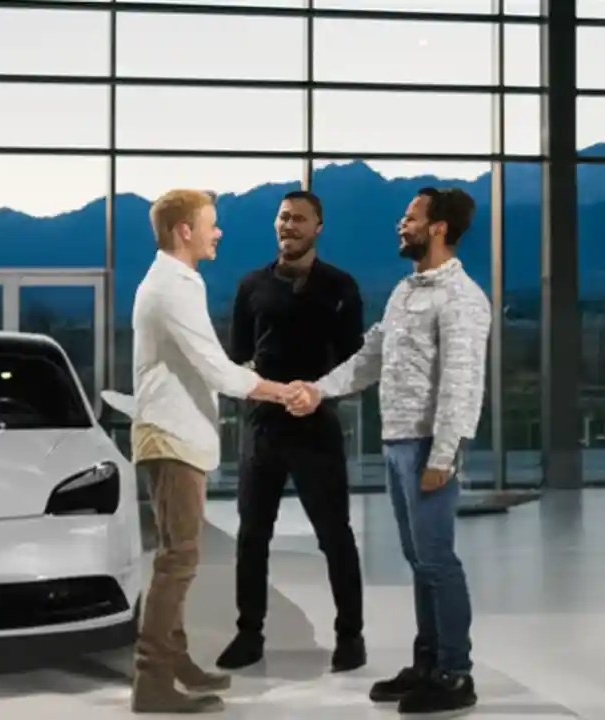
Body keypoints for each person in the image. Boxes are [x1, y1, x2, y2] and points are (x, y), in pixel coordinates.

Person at [286, 187, 491, 715]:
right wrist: (317, 389)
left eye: (411, 217)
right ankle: (427, 663)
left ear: (439, 227)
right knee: (419, 560)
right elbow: (370, 355)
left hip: (429, 448)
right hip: (399, 443)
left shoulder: (462, 298)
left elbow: (461, 386)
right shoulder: (406, 292)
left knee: (438, 561)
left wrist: (443, 457)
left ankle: (456, 673)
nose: (401, 225)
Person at [129, 188, 289, 714]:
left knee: (176, 554)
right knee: (179, 560)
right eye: (211, 224)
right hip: (172, 436)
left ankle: (176, 663)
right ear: (184, 231)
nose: (217, 232)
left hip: (174, 434)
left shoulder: (176, 282)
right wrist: (281, 391)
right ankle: (151, 683)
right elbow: (216, 369)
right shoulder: (172, 288)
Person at [215, 190, 367, 673]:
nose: (289, 226)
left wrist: (316, 393)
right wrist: (264, 393)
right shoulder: (250, 286)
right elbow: (240, 358)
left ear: (318, 226)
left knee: (334, 534)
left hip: (316, 423)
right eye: (283, 218)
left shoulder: (340, 287)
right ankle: (248, 633)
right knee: (252, 535)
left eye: (300, 219)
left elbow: (354, 363)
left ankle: (351, 637)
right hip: (262, 425)